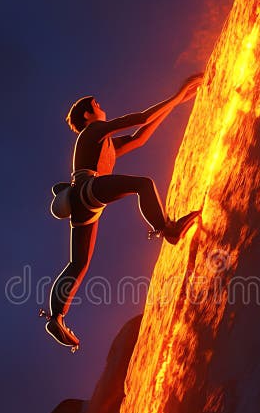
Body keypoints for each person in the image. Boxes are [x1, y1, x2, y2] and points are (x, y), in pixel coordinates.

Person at [43, 73, 204, 349]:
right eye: (96, 104)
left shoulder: (104, 143)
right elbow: (140, 118)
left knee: (78, 264)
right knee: (142, 184)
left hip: (86, 203)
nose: (101, 105)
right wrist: (178, 95)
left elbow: (140, 137)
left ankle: (56, 317)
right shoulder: (92, 131)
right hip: (88, 189)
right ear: (87, 114)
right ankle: (169, 229)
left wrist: (176, 103)